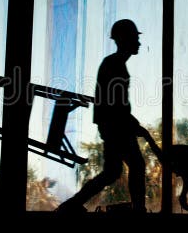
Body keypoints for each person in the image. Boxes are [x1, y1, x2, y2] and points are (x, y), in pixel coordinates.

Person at [57, 19, 151, 213]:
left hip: (113, 125)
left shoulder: (115, 64)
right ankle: (138, 209)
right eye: (135, 38)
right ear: (124, 40)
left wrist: (129, 122)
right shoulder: (114, 65)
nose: (139, 43)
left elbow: (114, 102)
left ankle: (70, 205)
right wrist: (130, 124)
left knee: (112, 172)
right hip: (116, 126)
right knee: (136, 165)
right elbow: (114, 103)